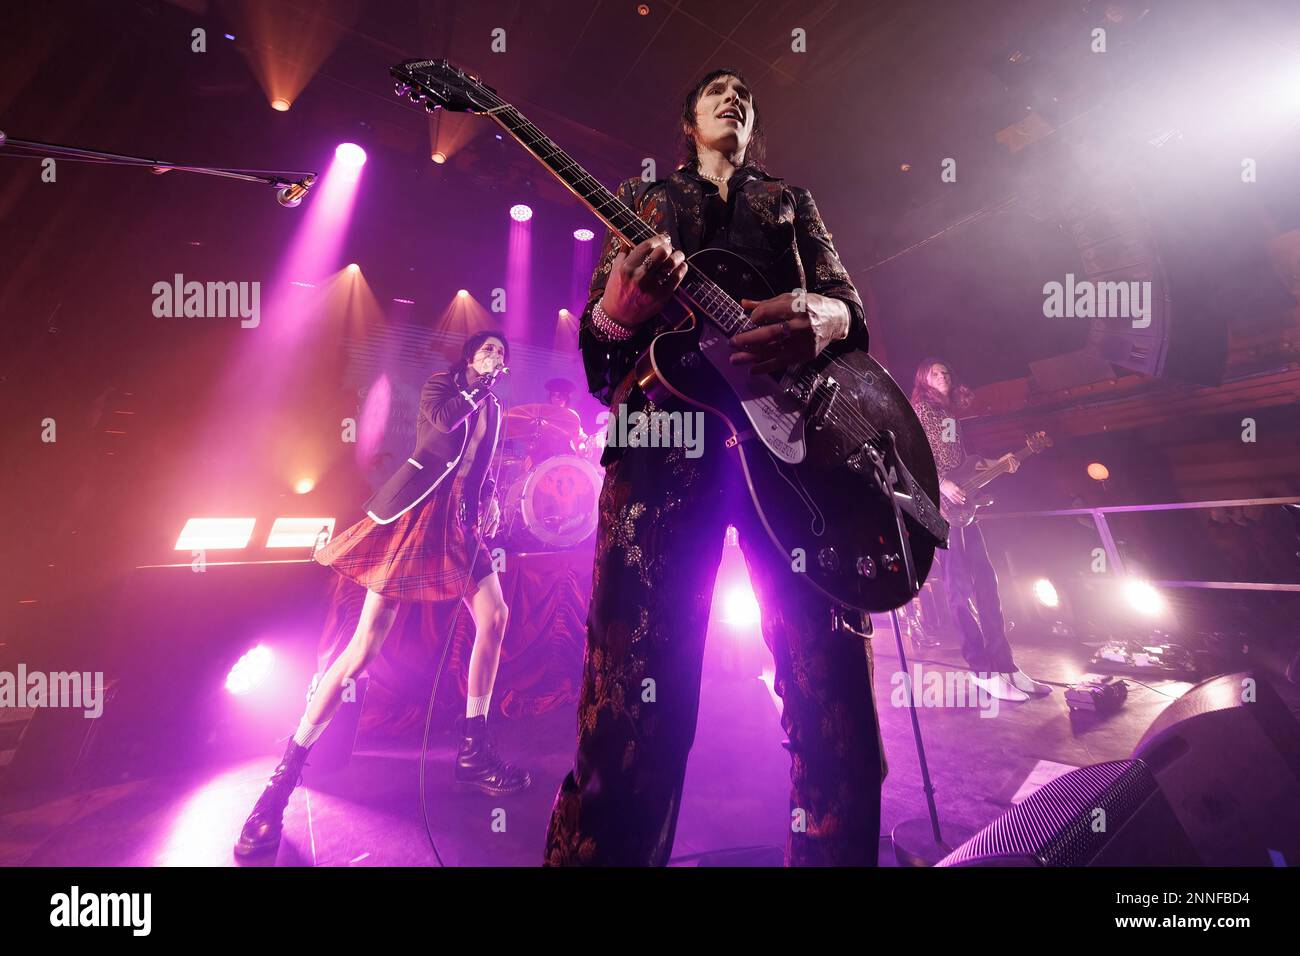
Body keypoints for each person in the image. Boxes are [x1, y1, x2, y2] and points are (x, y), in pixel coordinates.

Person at [545, 69, 886, 866]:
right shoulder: (647, 206)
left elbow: (850, 306)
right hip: (666, 456)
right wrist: (613, 313)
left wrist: (821, 315)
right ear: (687, 120)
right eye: (714, 90)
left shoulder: (789, 203)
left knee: (833, 697)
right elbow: (603, 369)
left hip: (797, 466)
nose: (733, 94)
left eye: (744, 92)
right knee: (630, 709)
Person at [234, 331, 530, 859]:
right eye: (488, 351)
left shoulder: (496, 407)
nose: (496, 360)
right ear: (469, 358)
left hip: (460, 527)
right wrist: (477, 389)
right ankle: (281, 782)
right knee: (363, 650)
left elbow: (480, 465)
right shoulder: (448, 386)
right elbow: (438, 431)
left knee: (495, 615)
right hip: (416, 516)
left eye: (502, 355)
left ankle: (472, 748)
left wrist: (486, 502)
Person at [910, 358, 1051, 703]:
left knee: (987, 584)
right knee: (959, 590)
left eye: (947, 370)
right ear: (923, 380)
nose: (944, 374)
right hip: (942, 512)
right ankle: (982, 671)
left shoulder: (950, 417)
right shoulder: (918, 412)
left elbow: (966, 464)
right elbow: (911, 457)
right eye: (935, 371)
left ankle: (1005, 665)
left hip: (965, 512)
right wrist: (941, 484)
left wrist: (1003, 462)